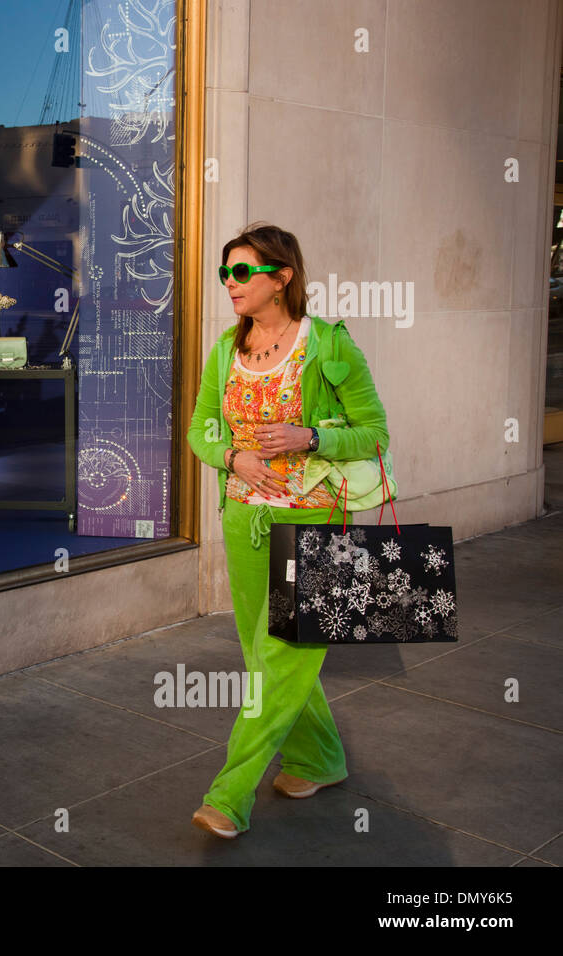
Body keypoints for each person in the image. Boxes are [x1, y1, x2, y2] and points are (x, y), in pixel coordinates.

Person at [184, 222, 390, 837]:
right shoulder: (227, 349)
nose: (229, 283)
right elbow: (200, 428)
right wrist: (232, 457)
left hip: (316, 518)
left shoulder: (327, 345)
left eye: (242, 271)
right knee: (266, 656)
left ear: (283, 277)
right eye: (225, 272)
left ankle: (228, 795)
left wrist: (311, 437)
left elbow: (374, 433)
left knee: (283, 657)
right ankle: (320, 757)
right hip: (244, 519)